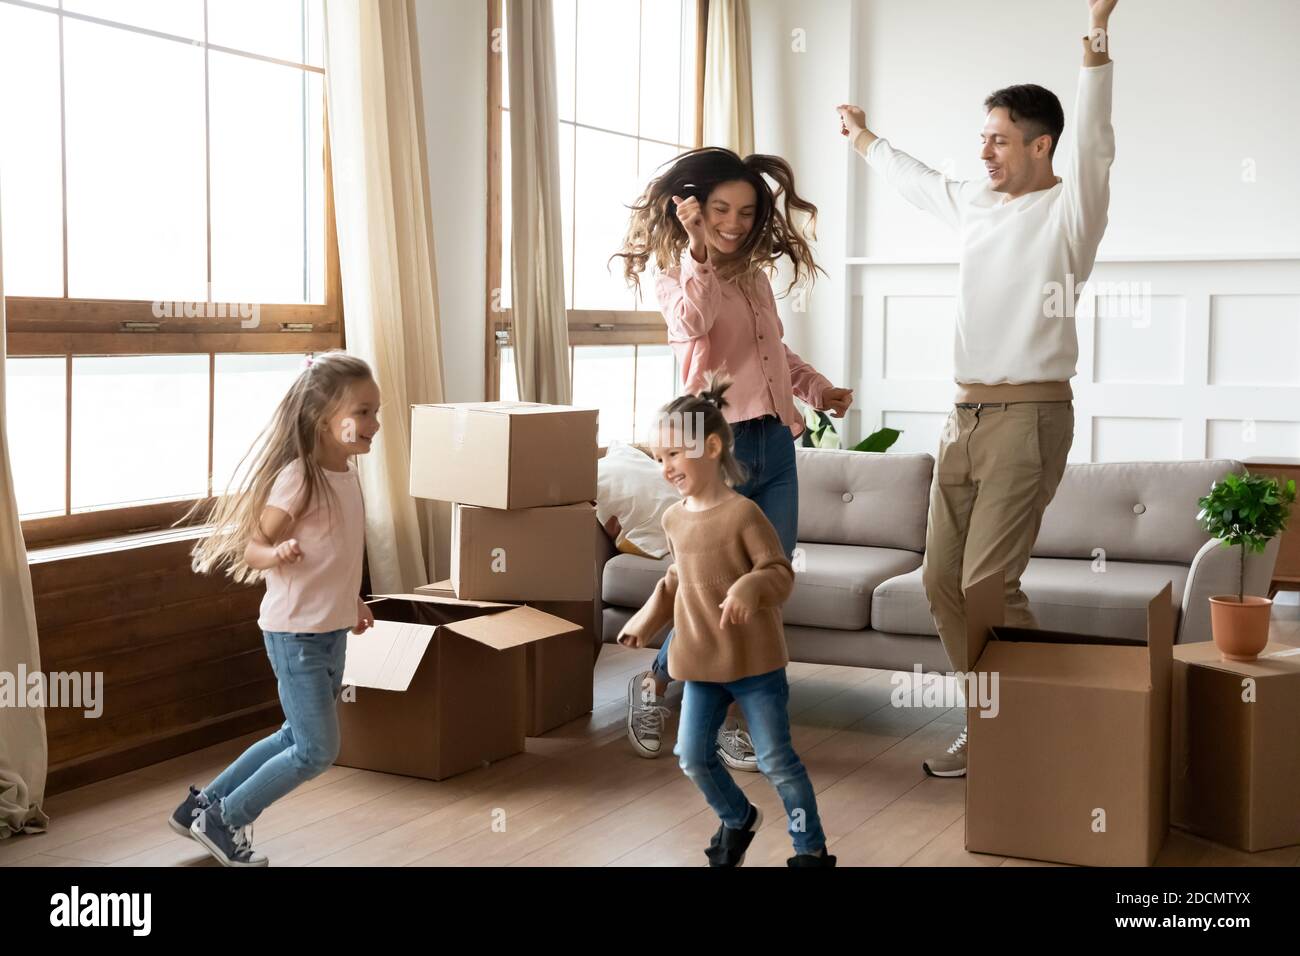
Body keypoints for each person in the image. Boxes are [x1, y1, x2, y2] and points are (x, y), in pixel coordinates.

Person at [837, 0, 1119, 776]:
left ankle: (1039, 721)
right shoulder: (976, 205)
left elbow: (1096, 144)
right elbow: (916, 178)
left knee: (989, 583)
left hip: (1030, 417)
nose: (985, 152)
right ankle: (997, 716)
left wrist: (1096, 34)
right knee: (940, 581)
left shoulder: (1069, 211)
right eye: (982, 138)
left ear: (1041, 144)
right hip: (962, 416)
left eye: (999, 139)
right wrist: (863, 139)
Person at [613, 147, 853, 769]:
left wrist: (817, 388)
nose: (735, 222)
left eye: (746, 211)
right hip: (719, 446)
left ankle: (716, 706)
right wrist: (696, 247)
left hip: (774, 443)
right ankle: (663, 686)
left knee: (764, 582)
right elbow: (694, 322)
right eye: (720, 209)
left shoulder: (753, 277)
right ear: (692, 209)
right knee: (708, 583)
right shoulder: (676, 277)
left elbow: (771, 354)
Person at [168, 350, 380, 865]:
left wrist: (350, 599)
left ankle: (202, 805)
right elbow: (252, 548)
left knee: (295, 734)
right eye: (364, 411)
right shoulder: (300, 478)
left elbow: (338, 553)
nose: (375, 422)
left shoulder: (346, 475)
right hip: (295, 636)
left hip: (328, 632)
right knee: (317, 750)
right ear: (322, 417)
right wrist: (277, 553)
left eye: (377, 410)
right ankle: (226, 819)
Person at [618, 380, 834, 867]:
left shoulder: (744, 515)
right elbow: (677, 578)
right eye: (658, 458)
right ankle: (739, 819)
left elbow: (778, 573)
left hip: (755, 664)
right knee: (691, 756)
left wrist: (749, 588)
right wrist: (647, 619)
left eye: (674, 453)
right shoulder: (674, 519)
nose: (665, 467)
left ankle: (809, 850)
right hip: (699, 664)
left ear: (712, 447)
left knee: (778, 762)